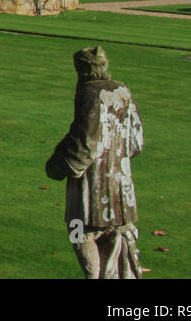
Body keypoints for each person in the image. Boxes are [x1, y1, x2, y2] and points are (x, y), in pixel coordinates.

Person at [46, 46, 144, 279]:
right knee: (120, 267)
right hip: (122, 196)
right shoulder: (123, 91)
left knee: (83, 245)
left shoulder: (89, 93)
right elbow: (136, 142)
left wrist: (56, 165)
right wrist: (115, 157)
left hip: (91, 199)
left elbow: (84, 146)